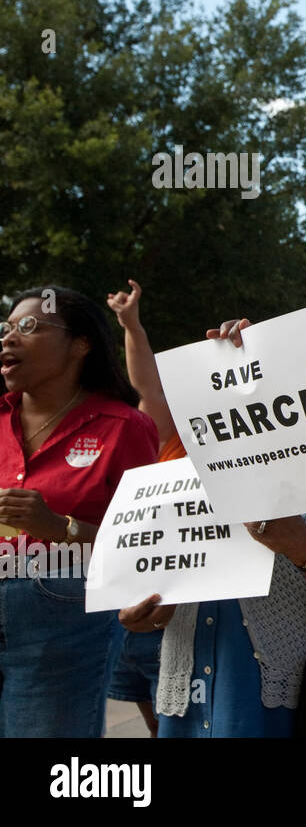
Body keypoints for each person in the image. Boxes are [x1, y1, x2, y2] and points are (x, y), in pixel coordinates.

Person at [119, 317, 306, 737]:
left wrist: (303, 548)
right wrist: (149, 612)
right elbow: (158, 594)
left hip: (290, 707)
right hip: (190, 695)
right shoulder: (182, 477)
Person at [0, 286, 158, 737]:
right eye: (6, 328)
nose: (9, 338)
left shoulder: (124, 427)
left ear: (80, 344)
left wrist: (59, 527)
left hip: (60, 623)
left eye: (28, 327)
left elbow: (148, 541)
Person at [104, 279, 182, 736]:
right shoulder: (161, 429)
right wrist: (131, 323)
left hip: (181, 605)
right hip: (133, 598)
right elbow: (146, 383)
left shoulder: (234, 446)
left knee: (176, 716)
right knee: (156, 720)